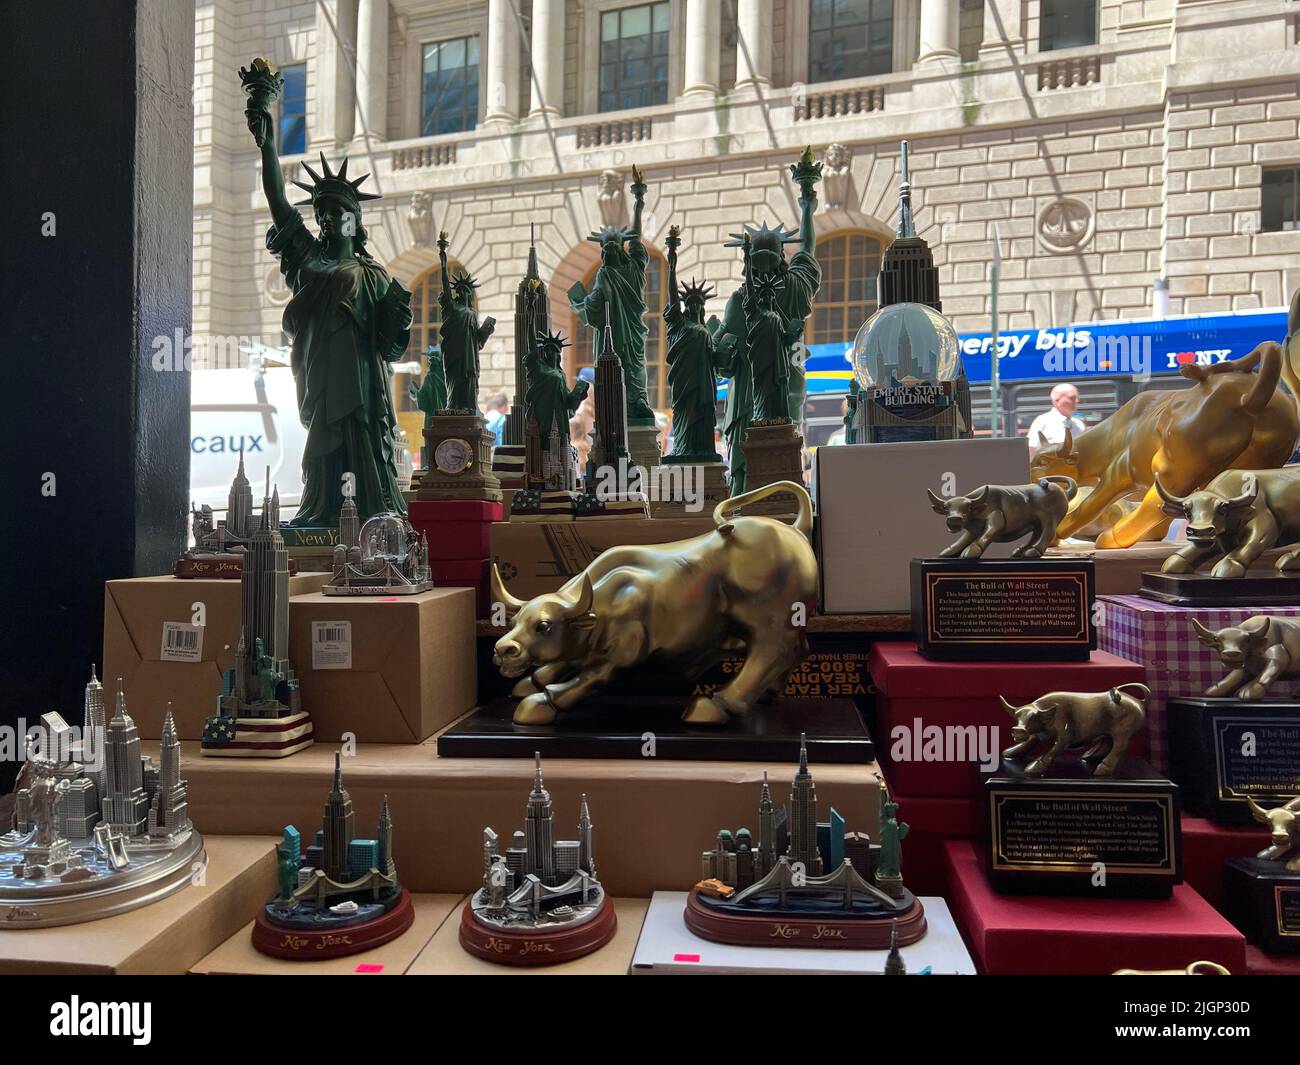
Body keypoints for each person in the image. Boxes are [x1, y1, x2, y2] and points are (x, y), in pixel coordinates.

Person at [1027, 383, 1085, 453]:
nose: (1077, 401)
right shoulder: (1042, 421)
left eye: (1077, 398)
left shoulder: (1079, 425)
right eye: (1072, 398)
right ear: (1056, 400)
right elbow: (1031, 449)